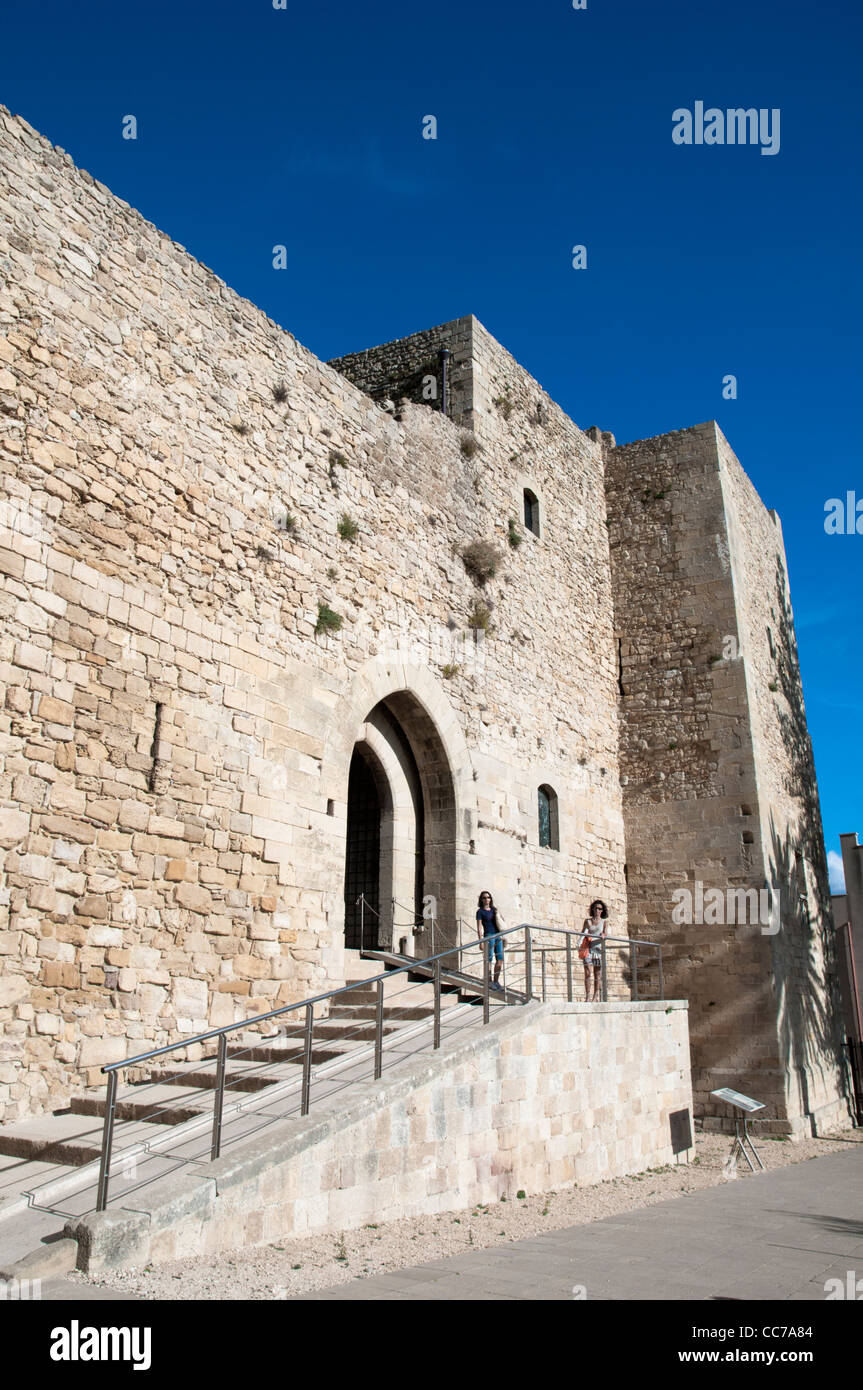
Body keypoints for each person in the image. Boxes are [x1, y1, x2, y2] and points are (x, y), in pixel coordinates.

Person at [475, 890, 506, 991]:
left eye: (488, 897)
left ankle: (496, 981)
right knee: (489, 959)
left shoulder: (494, 909)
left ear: (490, 899)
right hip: (489, 935)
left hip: (498, 935)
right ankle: (489, 981)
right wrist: (480, 941)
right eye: (484, 898)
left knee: (500, 959)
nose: (486, 899)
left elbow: (502, 920)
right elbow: (479, 927)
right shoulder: (480, 912)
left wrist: (498, 913)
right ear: (481, 900)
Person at [579, 899, 609, 1002]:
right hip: (588, 948)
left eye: (600, 909)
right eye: (596, 908)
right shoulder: (588, 921)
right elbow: (583, 933)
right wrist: (579, 944)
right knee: (587, 971)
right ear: (593, 909)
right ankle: (587, 996)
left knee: (597, 973)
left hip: (598, 950)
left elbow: (605, 933)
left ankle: (596, 995)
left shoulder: (604, 922)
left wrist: (603, 935)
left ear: (602, 911)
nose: (598, 910)